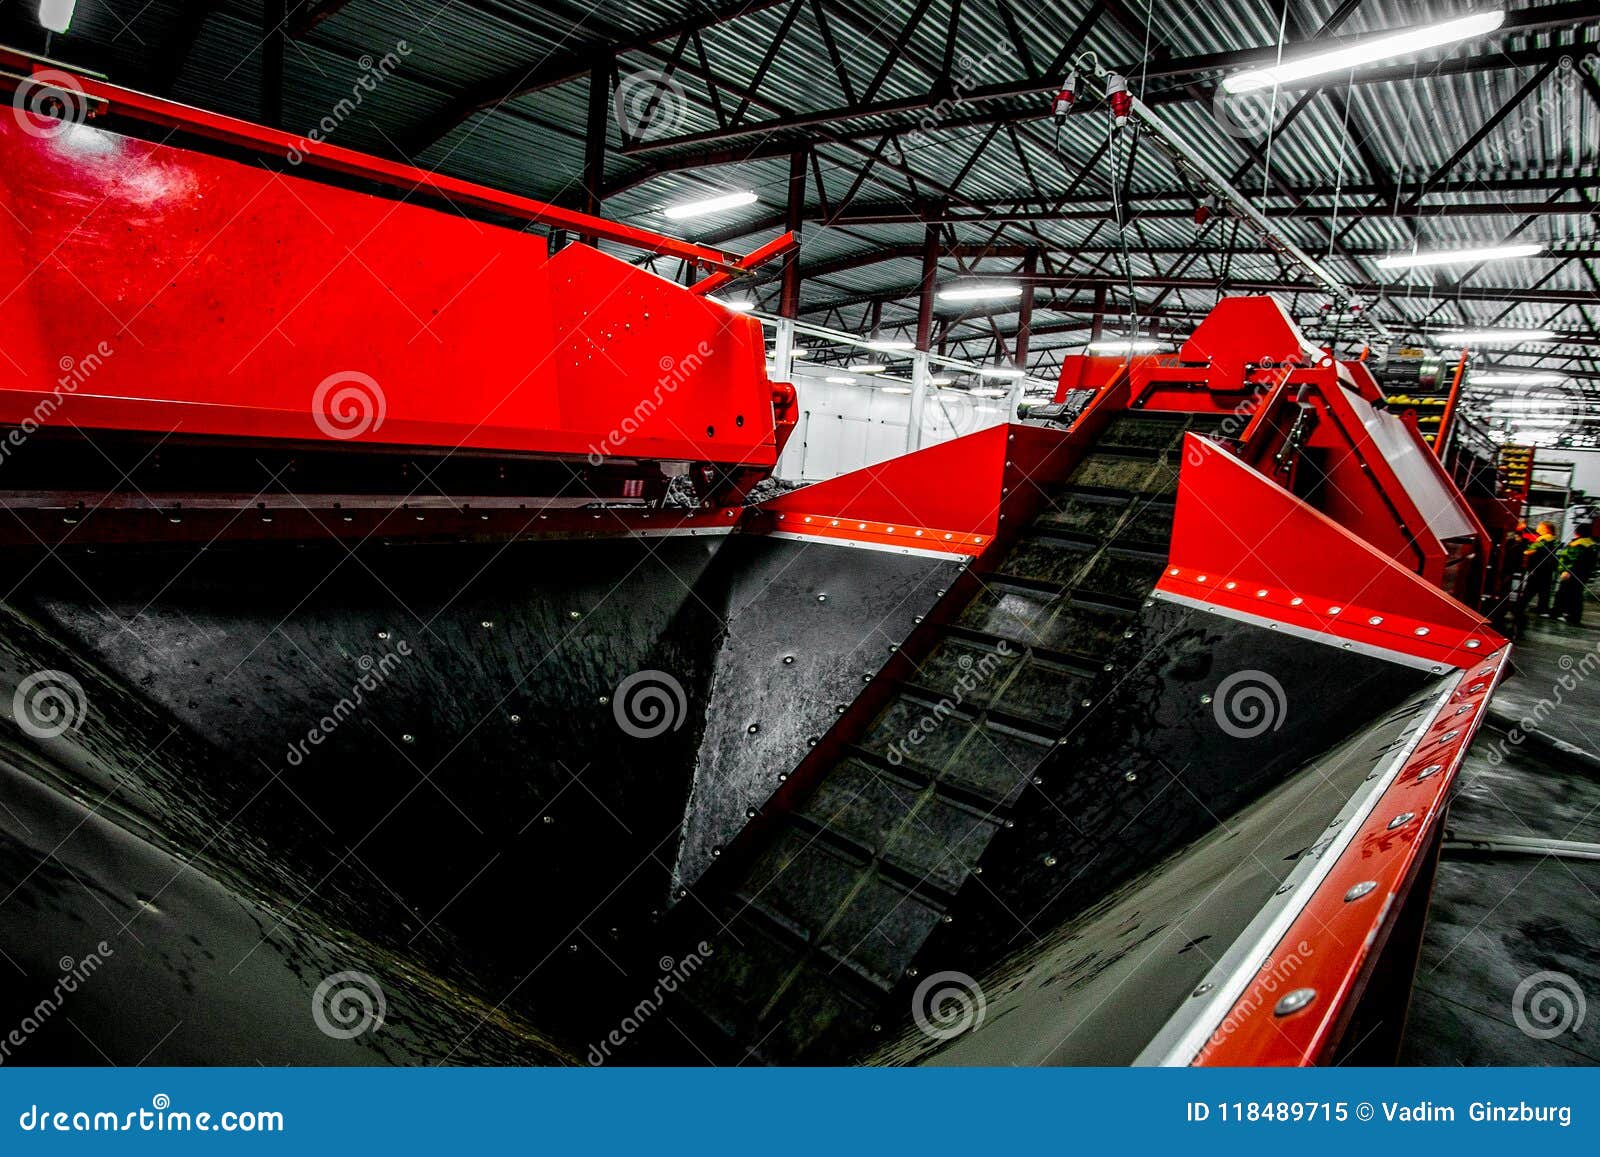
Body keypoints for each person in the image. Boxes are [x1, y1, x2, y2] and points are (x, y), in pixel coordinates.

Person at [1555, 524, 1597, 626]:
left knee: (1564, 593)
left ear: (1577, 532)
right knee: (1576, 595)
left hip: (1571, 574)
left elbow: (1570, 559)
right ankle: (1573, 616)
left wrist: (1565, 571)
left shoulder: (1577, 544)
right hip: (1583, 574)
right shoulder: (1592, 544)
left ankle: (1562, 614)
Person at [1523, 521, 1560, 617]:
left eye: (1539, 526)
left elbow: (1528, 551)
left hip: (1539, 568)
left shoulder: (1544, 540)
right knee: (1544, 589)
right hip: (1548, 568)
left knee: (1530, 588)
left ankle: (1521, 605)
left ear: (1546, 529)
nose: (1537, 528)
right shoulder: (1555, 540)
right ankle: (1542, 609)